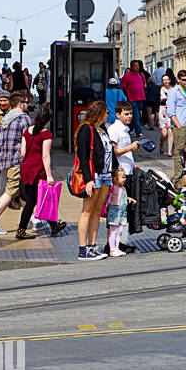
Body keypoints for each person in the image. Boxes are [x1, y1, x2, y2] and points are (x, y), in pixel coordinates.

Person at [15, 105, 67, 239]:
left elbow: (22, 153)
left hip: (26, 168)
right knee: (33, 201)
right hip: (38, 170)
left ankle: (53, 224)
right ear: (48, 119)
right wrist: (49, 175)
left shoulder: (27, 131)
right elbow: (45, 156)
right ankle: (21, 230)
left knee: (41, 198)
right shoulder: (46, 134)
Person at [0, 91, 32, 236]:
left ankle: (35, 220)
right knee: (11, 190)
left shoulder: (7, 118)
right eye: (26, 103)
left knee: (22, 191)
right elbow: (28, 142)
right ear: (20, 104)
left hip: (5, 159)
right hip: (17, 160)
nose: (27, 105)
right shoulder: (24, 119)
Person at [74, 100, 112, 261]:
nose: (108, 114)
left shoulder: (102, 129)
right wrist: (88, 179)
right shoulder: (85, 129)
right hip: (94, 175)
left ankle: (92, 245)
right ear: (100, 113)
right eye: (106, 112)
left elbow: (109, 152)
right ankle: (83, 249)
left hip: (106, 174)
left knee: (97, 210)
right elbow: (82, 156)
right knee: (87, 210)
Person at [106, 101, 142, 252]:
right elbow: (113, 152)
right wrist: (130, 148)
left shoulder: (125, 129)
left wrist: (131, 163)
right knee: (117, 210)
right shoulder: (115, 129)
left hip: (127, 171)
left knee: (122, 211)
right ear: (118, 114)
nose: (129, 116)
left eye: (131, 114)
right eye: (126, 114)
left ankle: (119, 243)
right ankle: (113, 245)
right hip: (120, 175)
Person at [105, 163, 138, 257]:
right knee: (113, 231)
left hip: (122, 212)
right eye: (122, 177)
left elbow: (124, 197)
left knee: (119, 232)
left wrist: (129, 199)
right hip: (114, 212)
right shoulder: (112, 188)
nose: (125, 179)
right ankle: (112, 249)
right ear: (115, 179)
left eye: (125, 177)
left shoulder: (123, 188)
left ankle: (116, 248)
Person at [167, 69, 186, 179]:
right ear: (178, 79)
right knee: (179, 153)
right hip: (180, 125)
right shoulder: (173, 92)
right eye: (184, 80)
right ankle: (178, 179)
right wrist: (179, 126)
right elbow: (171, 113)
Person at [121, 61, 147, 136]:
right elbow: (122, 87)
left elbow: (145, 84)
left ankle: (129, 129)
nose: (137, 67)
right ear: (131, 67)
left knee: (134, 115)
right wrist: (124, 98)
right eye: (135, 66)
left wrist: (142, 87)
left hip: (141, 98)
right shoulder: (127, 76)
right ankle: (139, 132)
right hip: (131, 99)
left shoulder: (141, 75)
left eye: (138, 66)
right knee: (137, 115)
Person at [158, 71, 174, 156]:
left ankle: (169, 151)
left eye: (167, 79)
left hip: (171, 112)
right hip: (162, 112)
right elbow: (156, 101)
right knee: (164, 134)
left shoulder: (174, 90)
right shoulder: (159, 90)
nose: (165, 81)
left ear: (170, 80)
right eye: (164, 80)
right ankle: (161, 143)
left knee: (170, 132)